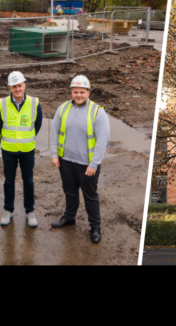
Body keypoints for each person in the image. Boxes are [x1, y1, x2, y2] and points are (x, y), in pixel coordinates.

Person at [50, 75, 111, 243]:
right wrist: (54, 154)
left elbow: (102, 140)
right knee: (70, 192)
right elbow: (54, 132)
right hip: (66, 162)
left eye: (82, 92)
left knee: (90, 196)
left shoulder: (98, 112)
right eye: (75, 92)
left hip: (87, 165)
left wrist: (94, 164)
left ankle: (95, 226)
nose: (78, 95)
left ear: (88, 92)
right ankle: (69, 217)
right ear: (71, 92)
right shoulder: (62, 109)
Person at [0, 71, 42, 227]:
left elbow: (38, 124)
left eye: (20, 86)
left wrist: (26, 137)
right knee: (9, 182)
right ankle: (8, 210)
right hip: (8, 150)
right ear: (10, 87)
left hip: (27, 150)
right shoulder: (2, 104)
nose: (17, 89)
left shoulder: (34, 102)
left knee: (28, 181)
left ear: (25, 85)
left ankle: (30, 212)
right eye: (14, 86)